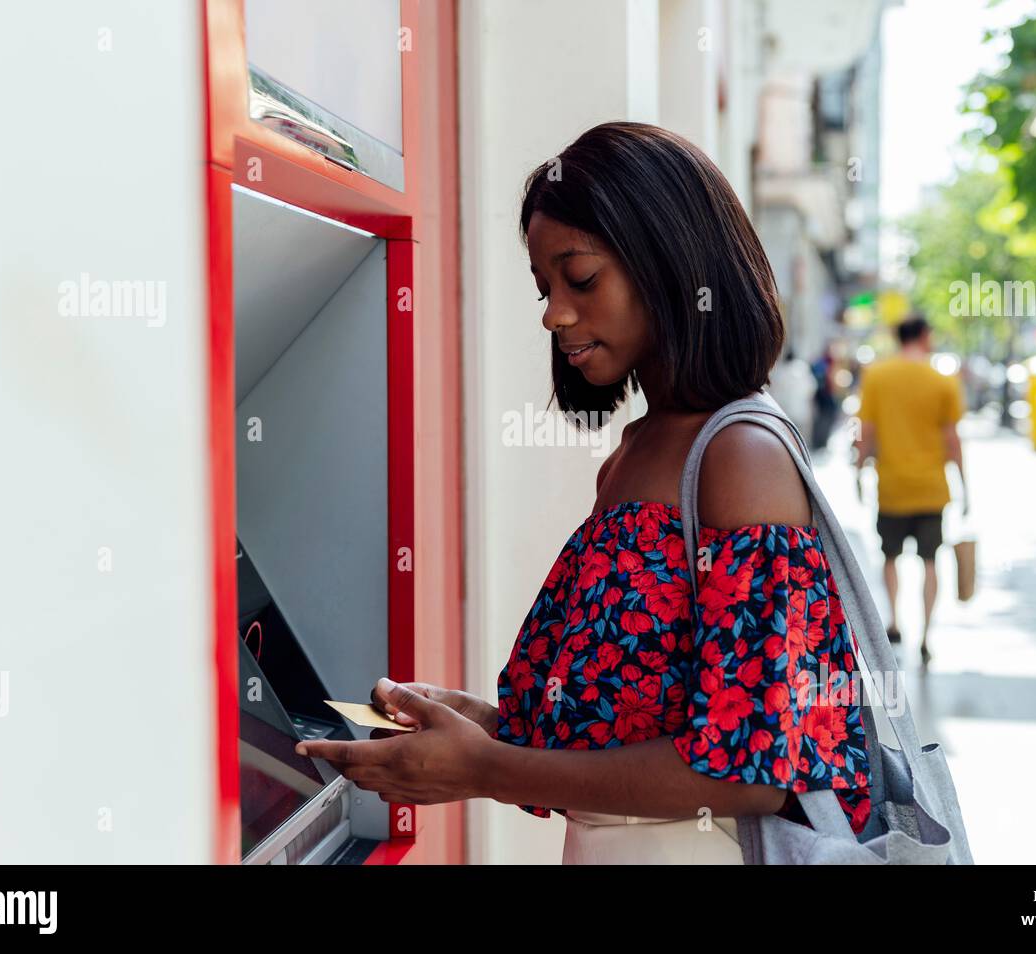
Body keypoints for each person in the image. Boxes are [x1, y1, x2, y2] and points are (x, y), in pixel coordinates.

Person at [296, 122, 872, 864]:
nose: (553, 313)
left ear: (667, 262)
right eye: (544, 287)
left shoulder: (741, 457)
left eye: (582, 278)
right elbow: (621, 730)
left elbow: (749, 770)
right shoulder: (634, 452)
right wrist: (478, 727)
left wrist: (482, 768)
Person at [854, 314, 967, 666]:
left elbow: (866, 430)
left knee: (890, 557)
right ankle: (927, 634)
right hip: (932, 488)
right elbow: (953, 440)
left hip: (891, 486)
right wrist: (965, 485)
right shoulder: (943, 380)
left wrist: (858, 472)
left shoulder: (877, 377)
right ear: (924, 336)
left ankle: (895, 621)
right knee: (931, 561)